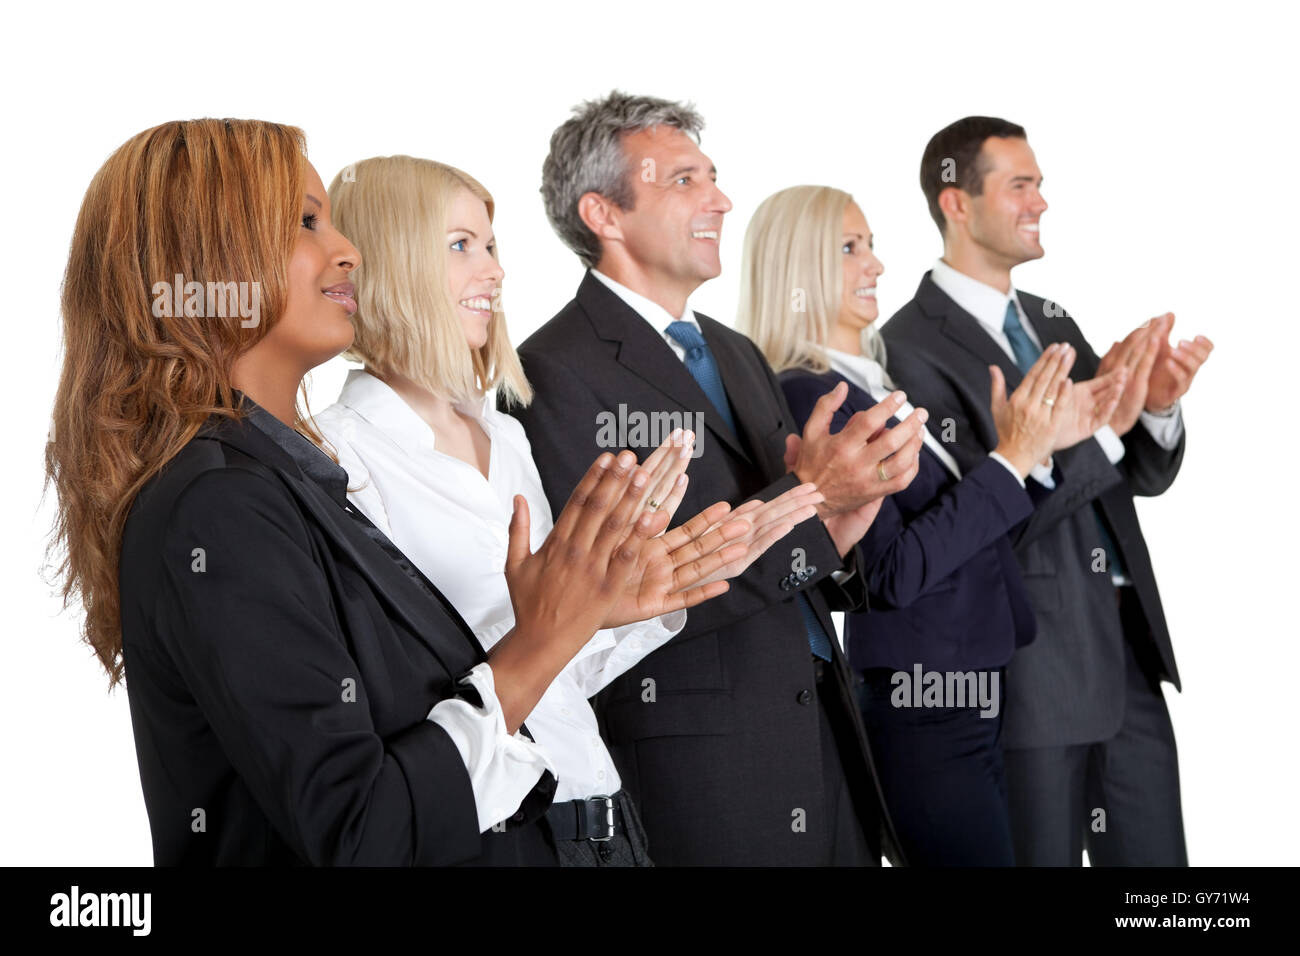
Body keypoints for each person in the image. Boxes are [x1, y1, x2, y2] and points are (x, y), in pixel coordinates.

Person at [45, 118, 750, 866]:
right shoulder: (223, 505)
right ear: (206, 260)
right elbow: (361, 830)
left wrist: (586, 613)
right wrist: (539, 640)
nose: (346, 249)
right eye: (305, 223)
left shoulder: (295, 485)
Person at [313, 155, 818, 865]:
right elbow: (394, 696)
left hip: (601, 817)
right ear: (391, 260)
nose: (493, 272)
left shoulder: (505, 436)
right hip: (494, 831)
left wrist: (625, 606)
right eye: (460, 246)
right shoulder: (340, 460)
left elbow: (562, 674)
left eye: (491, 247)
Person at [507, 91, 930, 866]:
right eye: (684, 181)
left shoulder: (734, 351)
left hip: (824, 735)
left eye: (713, 177)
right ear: (604, 213)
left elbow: (804, 550)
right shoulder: (550, 372)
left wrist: (850, 513)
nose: (721, 200)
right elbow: (612, 596)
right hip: (705, 772)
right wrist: (817, 498)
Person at [739, 184, 1125, 864]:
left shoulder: (871, 379)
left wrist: (1033, 457)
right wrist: (1011, 457)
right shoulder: (813, 394)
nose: (876, 266)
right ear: (800, 267)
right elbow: (889, 571)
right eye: (850, 248)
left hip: (969, 685)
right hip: (924, 706)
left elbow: (966, 533)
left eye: (872, 246)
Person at [881, 116, 1214, 866]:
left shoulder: (1049, 320)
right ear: (956, 203)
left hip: (1127, 657)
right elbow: (976, 526)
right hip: (1033, 678)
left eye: (1041, 185)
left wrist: (1153, 408)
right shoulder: (907, 347)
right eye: (1020, 185)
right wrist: (1098, 435)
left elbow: (1136, 477)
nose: (1041, 203)